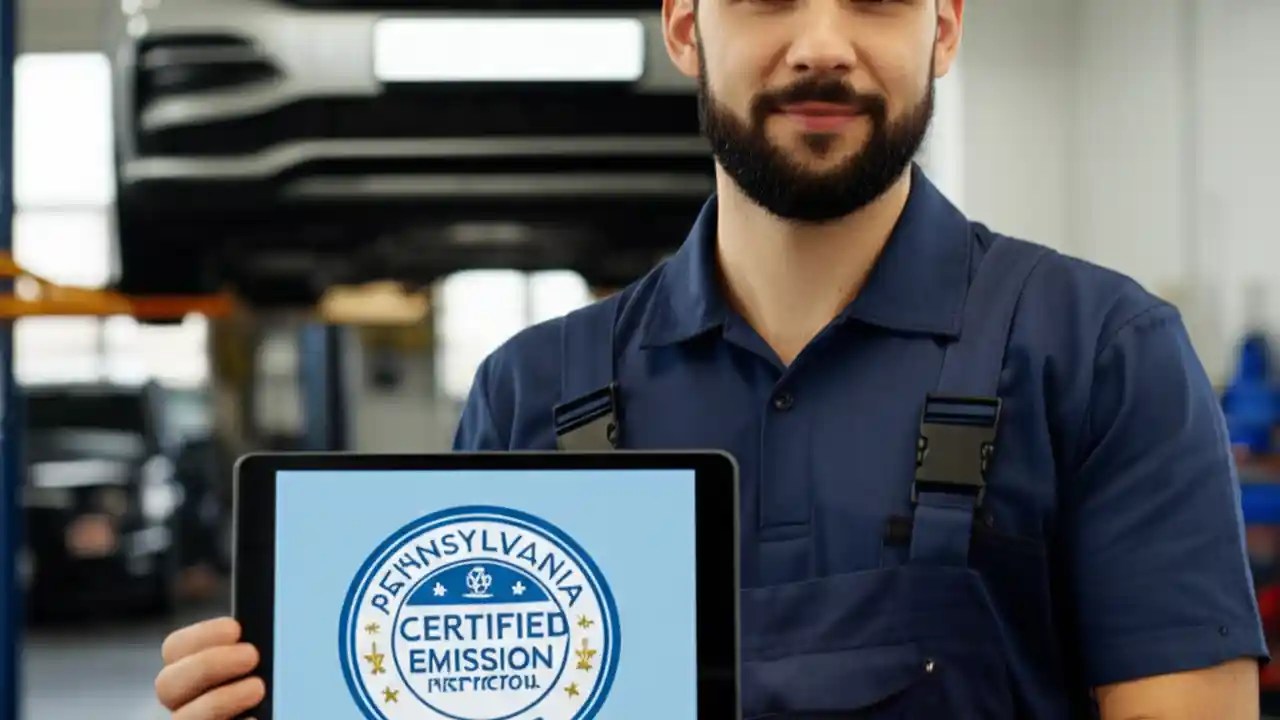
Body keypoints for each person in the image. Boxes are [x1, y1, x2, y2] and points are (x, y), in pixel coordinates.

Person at [153, 0, 1269, 717]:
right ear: (685, 25)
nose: (822, 42)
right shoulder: (532, 392)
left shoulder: (1100, 352)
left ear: (944, 26)